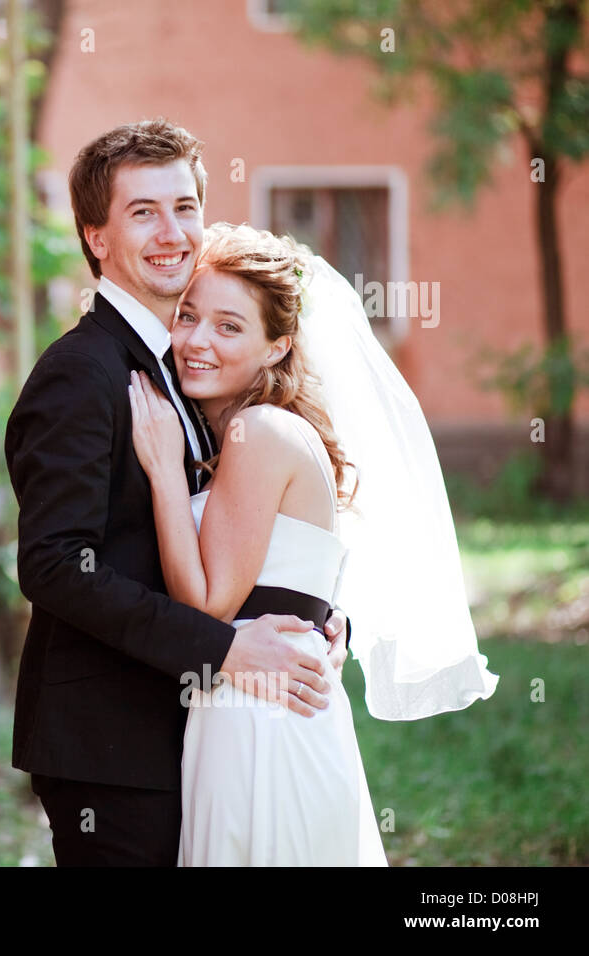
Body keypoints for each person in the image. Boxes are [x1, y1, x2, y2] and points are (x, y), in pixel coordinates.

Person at [4, 120, 351, 867]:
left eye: (185, 206)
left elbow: (243, 529)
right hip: (110, 745)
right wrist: (226, 647)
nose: (173, 232)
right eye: (143, 212)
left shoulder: (183, 372)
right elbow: (56, 566)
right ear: (96, 237)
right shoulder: (83, 373)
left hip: (188, 729)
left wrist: (305, 613)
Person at [129, 221, 498, 865]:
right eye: (188, 316)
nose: (196, 341)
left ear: (277, 348)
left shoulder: (261, 432)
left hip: (260, 726)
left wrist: (162, 472)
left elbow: (210, 604)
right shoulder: (254, 432)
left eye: (229, 326)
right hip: (250, 706)